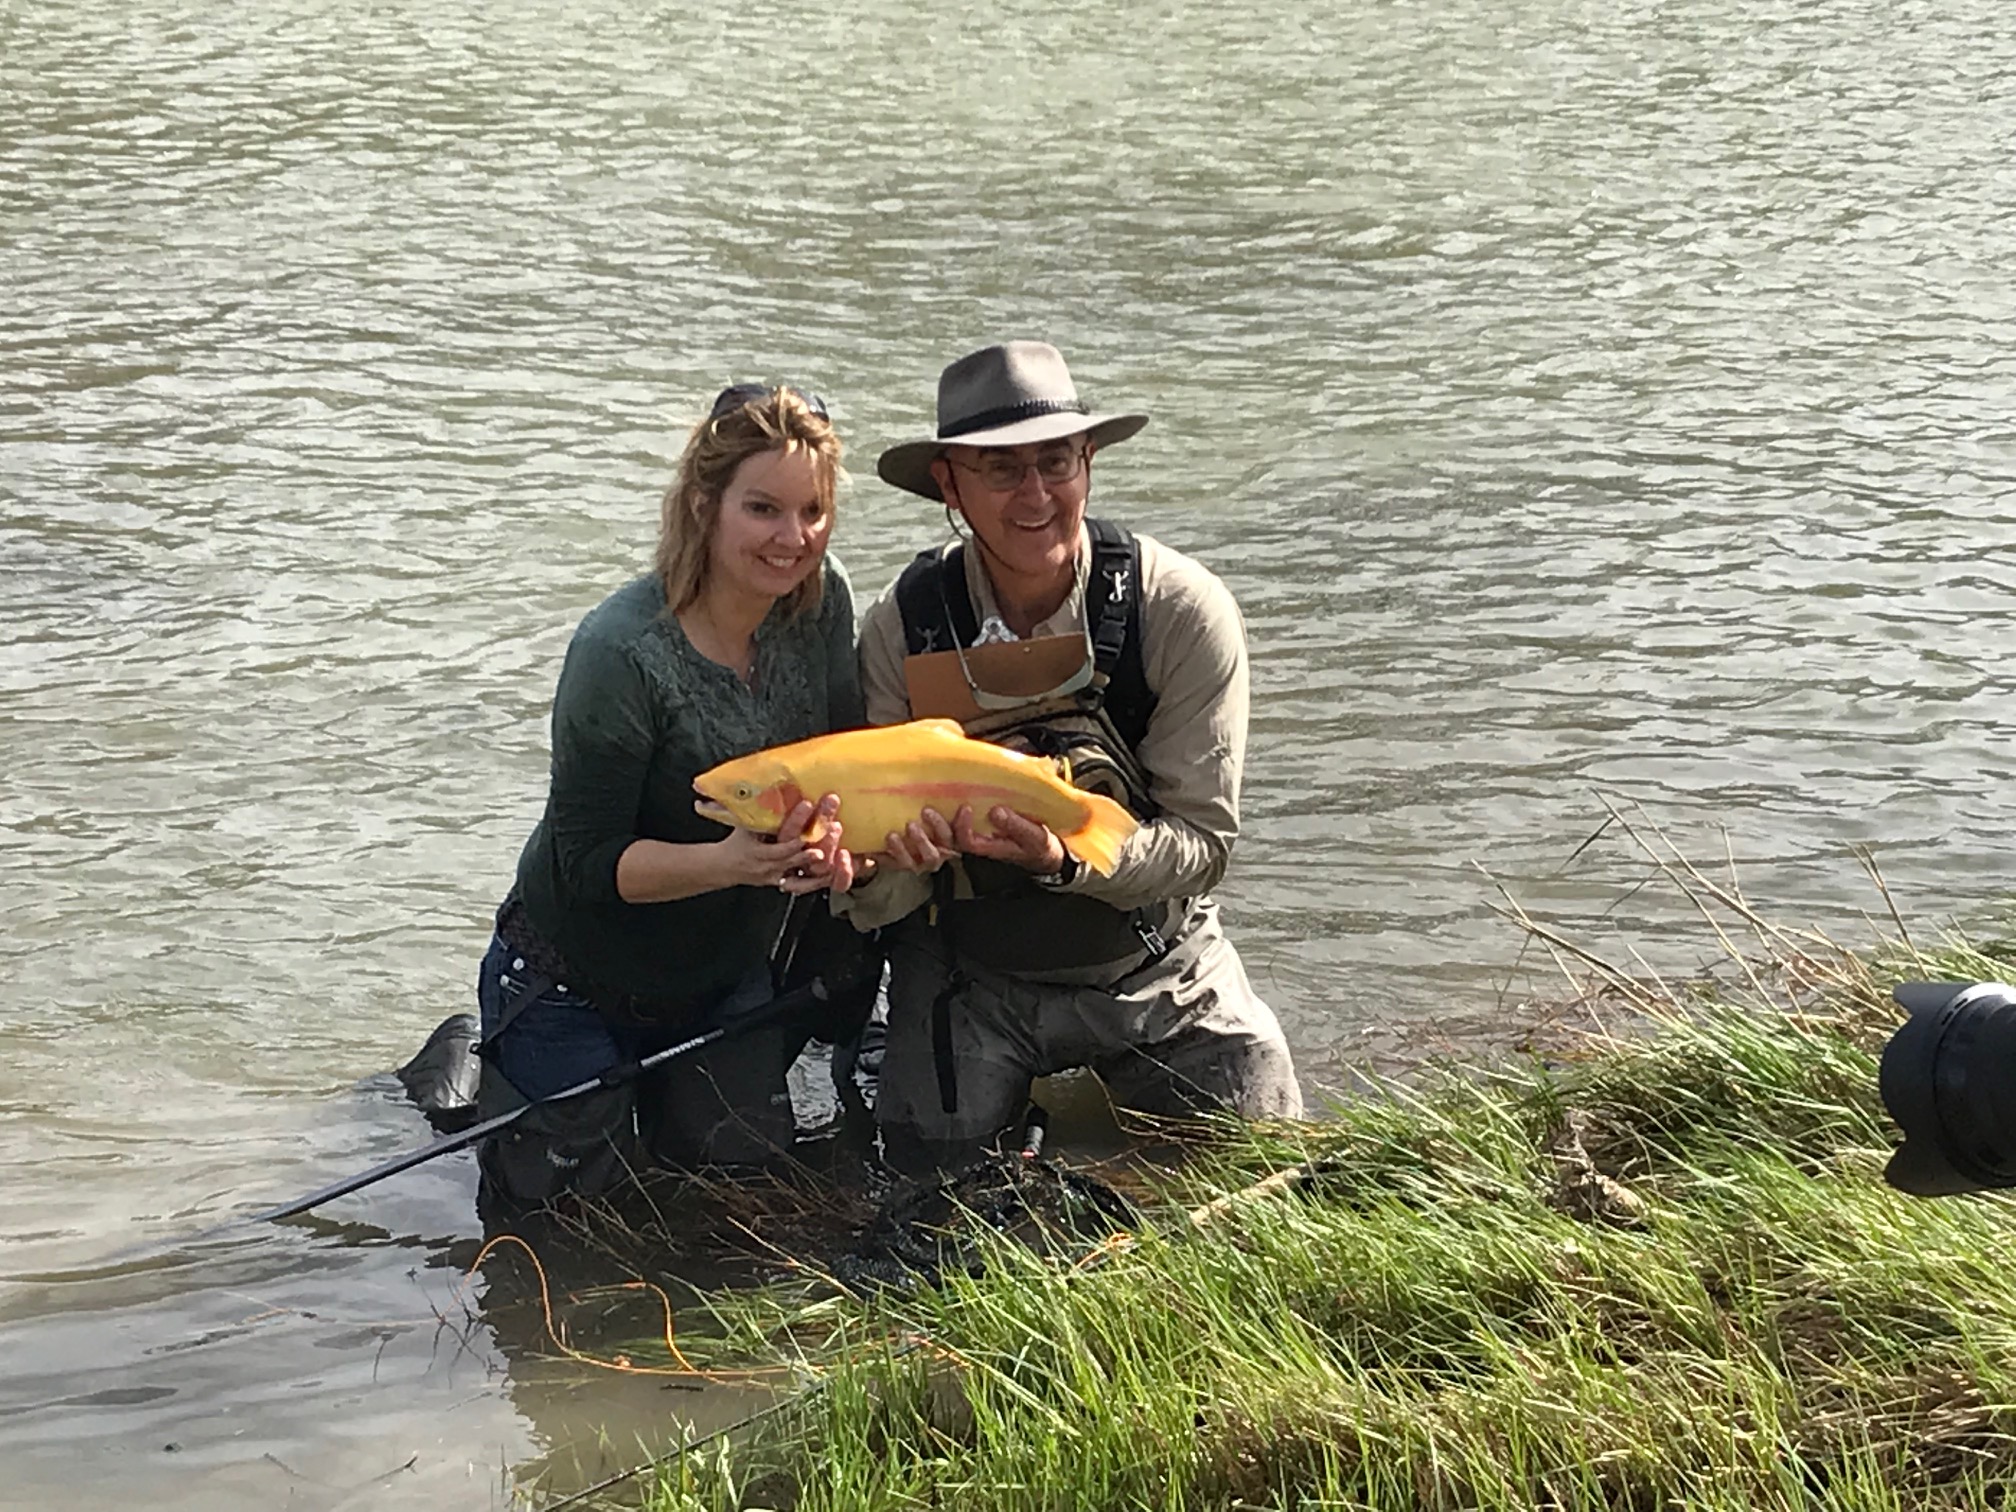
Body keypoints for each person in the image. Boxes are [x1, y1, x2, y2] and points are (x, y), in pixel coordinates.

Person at [831, 340, 1302, 1170]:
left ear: (1089, 460)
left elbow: (1203, 847)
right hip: (968, 976)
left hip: (1160, 968)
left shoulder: (1181, 611)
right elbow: (881, 894)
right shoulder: (900, 627)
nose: (1037, 496)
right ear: (949, 484)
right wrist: (879, 867)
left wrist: (1061, 856)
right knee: (922, 1192)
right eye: (1002, 472)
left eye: (1058, 463)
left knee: (1265, 1164)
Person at [473, 384, 863, 1212]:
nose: (793, 540)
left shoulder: (824, 605)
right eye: (763, 508)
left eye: (812, 510)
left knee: (740, 1206)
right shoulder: (620, 653)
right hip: (570, 978)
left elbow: (845, 770)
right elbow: (588, 865)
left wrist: (834, 847)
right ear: (703, 504)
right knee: (562, 1233)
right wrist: (731, 862)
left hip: (723, 978)